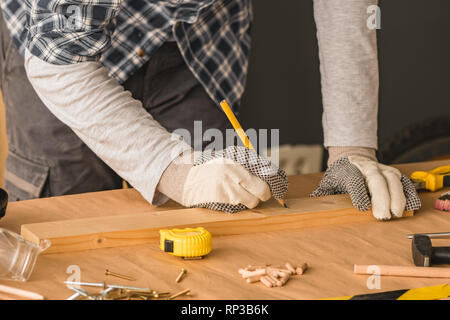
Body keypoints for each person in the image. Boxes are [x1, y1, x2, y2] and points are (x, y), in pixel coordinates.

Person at [0, 0, 420, 219]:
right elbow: (61, 66)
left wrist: (353, 148)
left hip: (196, 41)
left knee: (225, 216)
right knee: (63, 224)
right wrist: (175, 172)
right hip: (59, 47)